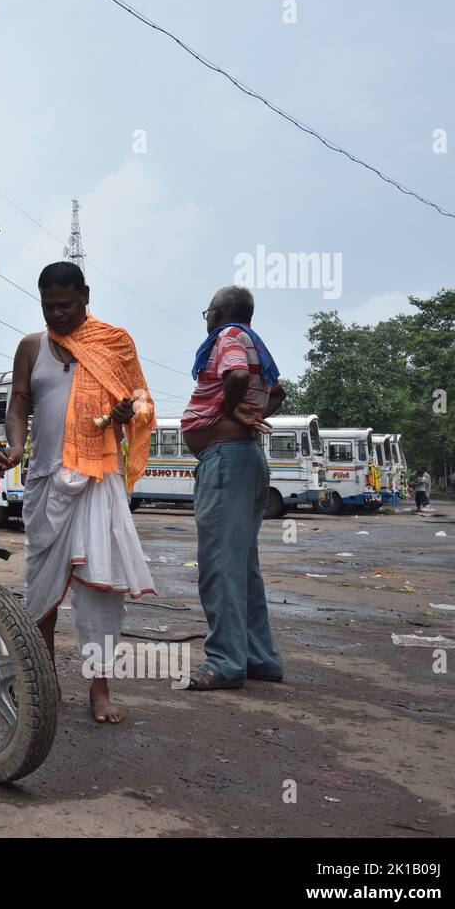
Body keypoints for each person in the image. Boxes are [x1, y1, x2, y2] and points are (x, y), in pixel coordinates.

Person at [0, 262, 156, 724]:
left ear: (86, 296)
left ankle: (99, 690)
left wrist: (128, 412)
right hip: (47, 481)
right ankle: (44, 681)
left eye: (66, 305)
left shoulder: (114, 342)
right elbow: (19, 403)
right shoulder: (31, 347)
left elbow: (142, 399)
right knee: (40, 587)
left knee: (100, 591)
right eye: (48, 306)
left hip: (98, 481)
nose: (57, 314)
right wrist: (15, 447)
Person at [181, 286, 286, 689]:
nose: (206, 318)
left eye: (208, 311)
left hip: (226, 460)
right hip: (242, 457)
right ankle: (259, 657)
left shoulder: (227, 337)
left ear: (218, 312)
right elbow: (276, 391)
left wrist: (227, 410)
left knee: (220, 565)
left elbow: (238, 374)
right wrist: (250, 412)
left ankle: (225, 662)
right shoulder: (254, 341)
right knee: (242, 565)